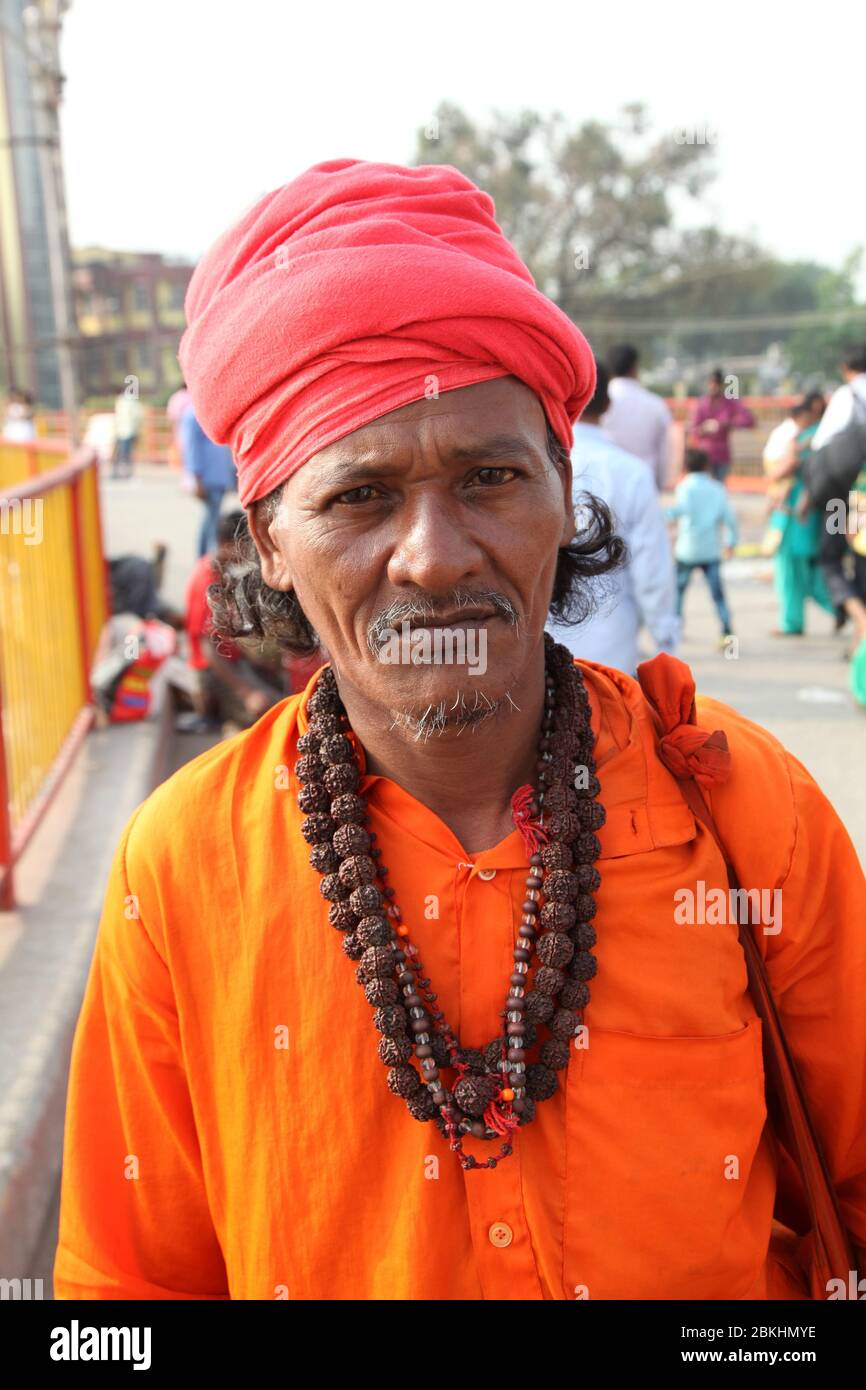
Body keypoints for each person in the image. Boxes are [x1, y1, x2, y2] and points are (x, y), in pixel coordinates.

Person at [54, 160, 866, 1303]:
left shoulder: (739, 805)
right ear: (270, 542)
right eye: (358, 496)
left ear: (560, 486)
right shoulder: (186, 862)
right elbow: (126, 1286)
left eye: (489, 477)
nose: (434, 556)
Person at [547, 357, 679, 673]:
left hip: (540, 655)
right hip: (612, 655)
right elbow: (652, 569)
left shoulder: (535, 469)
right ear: (608, 406)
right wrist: (665, 641)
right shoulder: (631, 473)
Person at [183, 510, 286, 731]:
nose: (251, 552)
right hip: (214, 671)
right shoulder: (207, 582)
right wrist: (247, 693)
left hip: (233, 662)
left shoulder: (221, 572)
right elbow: (207, 649)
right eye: (247, 545)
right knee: (272, 715)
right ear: (226, 544)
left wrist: (255, 663)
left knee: (283, 693)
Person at [803, 346, 866, 645]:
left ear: (845, 367)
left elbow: (822, 446)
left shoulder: (846, 396)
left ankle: (857, 616)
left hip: (843, 500)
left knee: (831, 557)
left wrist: (809, 492)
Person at [763, 400, 835, 636]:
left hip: (795, 515)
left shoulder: (808, 438)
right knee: (813, 571)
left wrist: (777, 473)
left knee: (791, 569)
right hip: (812, 515)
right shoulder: (827, 434)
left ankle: (793, 621)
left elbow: (785, 469)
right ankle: (843, 608)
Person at [667, 447, 738, 645]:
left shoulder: (684, 487)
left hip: (687, 549)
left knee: (678, 593)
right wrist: (731, 542)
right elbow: (730, 519)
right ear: (707, 466)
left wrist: (665, 516)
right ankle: (727, 631)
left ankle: (675, 629)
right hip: (710, 550)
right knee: (718, 595)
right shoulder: (717, 488)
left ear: (685, 466)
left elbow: (680, 510)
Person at [600, 343, 671, 489]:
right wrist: (660, 484)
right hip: (644, 484)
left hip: (603, 484)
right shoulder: (656, 405)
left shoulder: (600, 402)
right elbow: (664, 451)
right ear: (634, 368)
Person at [180, 404, 238, 558]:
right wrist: (196, 477)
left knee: (212, 517)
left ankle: (207, 558)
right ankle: (206, 559)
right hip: (207, 477)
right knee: (211, 520)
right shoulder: (193, 414)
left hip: (218, 475)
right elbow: (191, 447)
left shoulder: (210, 410)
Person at [689, 368, 756, 482]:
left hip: (722, 455)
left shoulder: (730, 403)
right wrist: (705, 428)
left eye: (717, 383)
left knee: (718, 489)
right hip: (705, 456)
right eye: (712, 383)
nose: (714, 386)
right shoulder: (701, 404)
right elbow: (694, 429)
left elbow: (749, 420)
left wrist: (724, 424)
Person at [113, 384, 144, 478]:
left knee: (122, 453)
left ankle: (122, 472)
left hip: (122, 430)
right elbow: (138, 415)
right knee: (126, 453)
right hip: (129, 430)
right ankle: (126, 472)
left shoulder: (121, 401)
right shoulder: (132, 401)